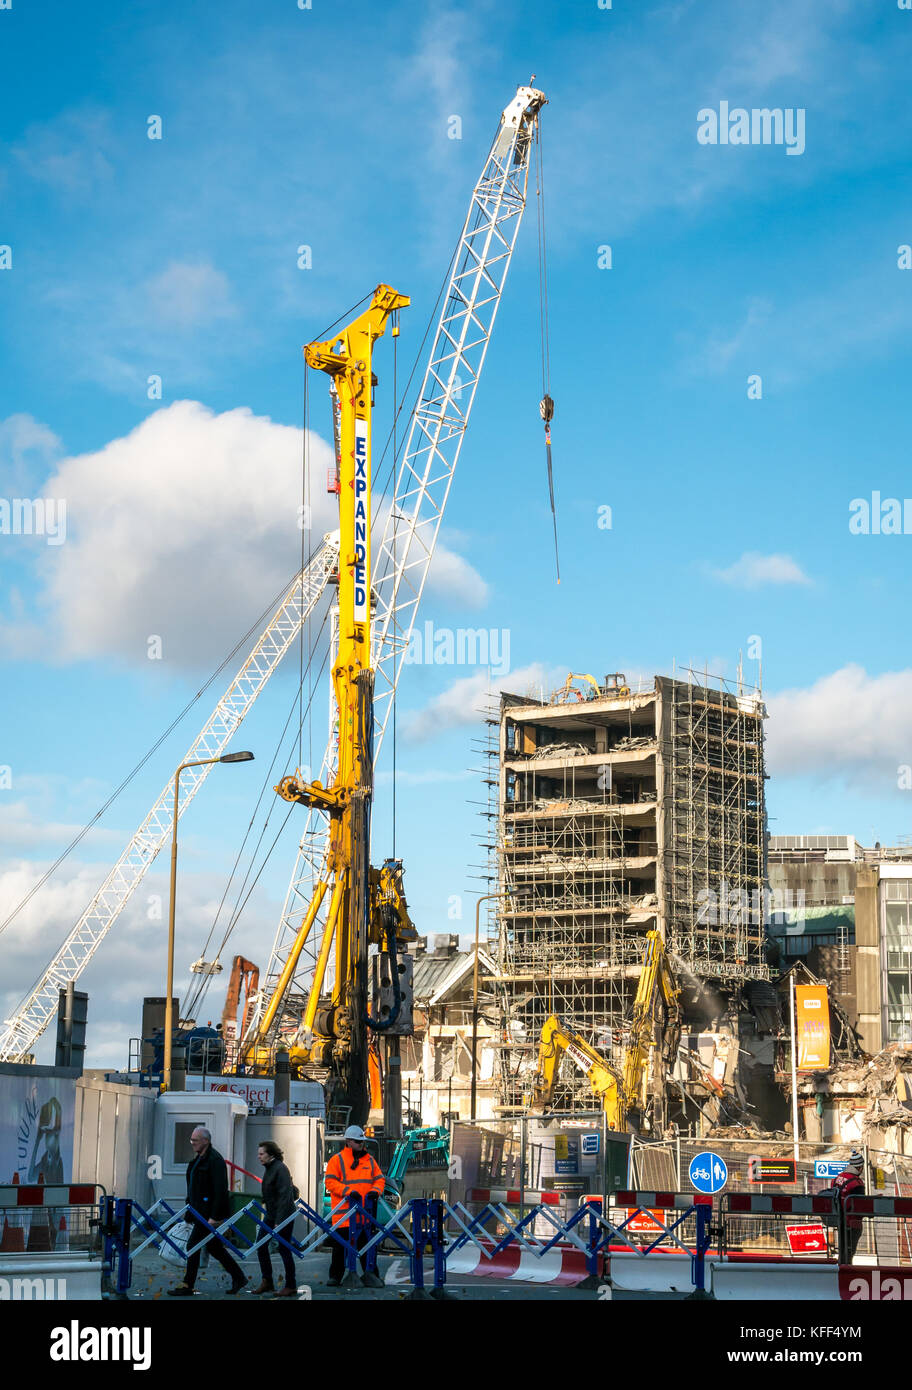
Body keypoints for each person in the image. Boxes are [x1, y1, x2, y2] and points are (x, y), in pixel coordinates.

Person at [167, 1126, 248, 1297]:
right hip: (198, 1212)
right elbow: (193, 1188)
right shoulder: (199, 1159)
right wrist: (189, 1213)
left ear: (206, 1141)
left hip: (208, 1215)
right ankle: (239, 1277)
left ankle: (187, 1284)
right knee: (214, 1248)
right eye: (191, 1140)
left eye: (195, 1140)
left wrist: (215, 1216)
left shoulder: (214, 1160)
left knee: (193, 1245)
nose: (192, 1143)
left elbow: (220, 1190)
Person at [324, 1124, 385, 1287]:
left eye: (362, 1141)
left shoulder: (369, 1160)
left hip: (365, 1214)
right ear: (349, 1141)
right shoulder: (337, 1160)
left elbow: (380, 1179)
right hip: (344, 1215)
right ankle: (335, 1277)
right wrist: (348, 1191)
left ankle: (371, 1274)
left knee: (368, 1247)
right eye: (358, 1141)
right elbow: (330, 1182)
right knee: (340, 1249)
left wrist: (375, 1191)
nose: (361, 1144)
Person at [252, 1141, 298, 1298]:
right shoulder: (270, 1168)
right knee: (261, 1245)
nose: (258, 1157)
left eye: (261, 1154)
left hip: (283, 1215)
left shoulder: (279, 1168)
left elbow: (285, 1196)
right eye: (258, 1153)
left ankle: (291, 1285)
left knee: (284, 1249)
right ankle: (267, 1281)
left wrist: (279, 1220)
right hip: (272, 1214)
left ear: (270, 1154)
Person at [833, 1151, 865, 1263]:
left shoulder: (838, 1178)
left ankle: (840, 1272)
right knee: (849, 1252)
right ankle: (846, 1275)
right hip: (852, 1223)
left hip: (839, 1220)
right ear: (860, 1167)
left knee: (842, 1251)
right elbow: (861, 1206)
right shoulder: (857, 1183)